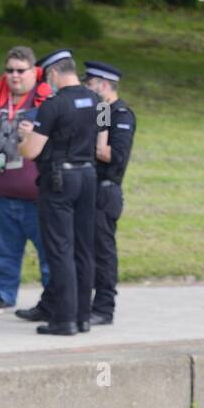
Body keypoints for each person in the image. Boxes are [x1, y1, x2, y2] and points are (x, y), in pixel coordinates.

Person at [17, 49, 100, 336]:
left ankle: (64, 319)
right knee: (84, 247)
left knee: (61, 248)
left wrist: (23, 136)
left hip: (60, 179)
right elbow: (100, 143)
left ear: (53, 73)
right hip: (89, 175)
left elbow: (31, 150)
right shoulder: (95, 99)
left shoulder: (54, 105)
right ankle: (83, 316)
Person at [0, 47, 52, 314]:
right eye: (10, 70)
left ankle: (53, 301)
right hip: (1, 195)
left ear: (34, 72)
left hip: (39, 197)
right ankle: (4, 296)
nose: (15, 76)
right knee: (2, 253)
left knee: (49, 255)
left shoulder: (47, 102)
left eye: (21, 70)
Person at [83, 61, 137, 327]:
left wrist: (87, 142)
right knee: (85, 249)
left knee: (103, 251)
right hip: (89, 190)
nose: (86, 88)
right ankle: (82, 301)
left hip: (106, 192)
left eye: (90, 84)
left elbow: (110, 155)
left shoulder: (121, 115)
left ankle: (104, 307)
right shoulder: (99, 111)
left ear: (103, 86)